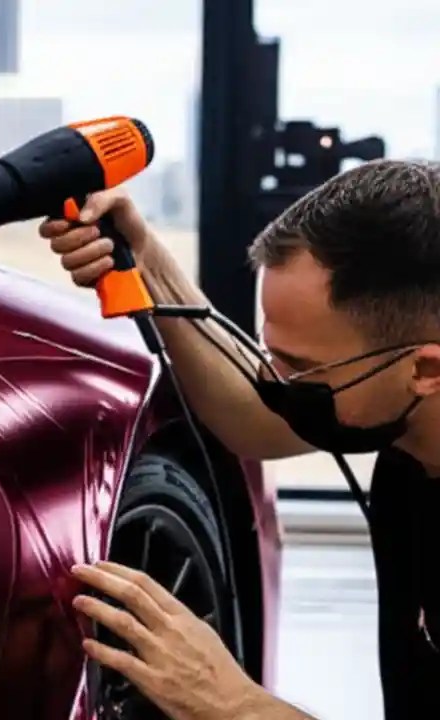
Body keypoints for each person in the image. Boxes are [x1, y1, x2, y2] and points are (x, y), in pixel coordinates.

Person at [39, 157, 440, 720]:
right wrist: (146, 261)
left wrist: (233, 704)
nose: (274, 381)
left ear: (425, 371)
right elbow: (249, 413)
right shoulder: (411, 432)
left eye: (301, 368)